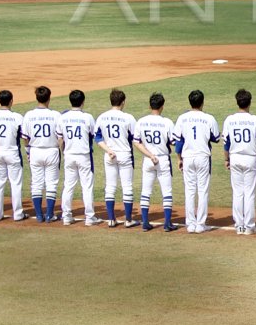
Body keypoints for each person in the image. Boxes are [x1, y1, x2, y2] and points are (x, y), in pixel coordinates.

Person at [172, 90, 220, 234]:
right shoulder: (209, 118)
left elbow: (178, 141)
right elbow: (216, 138)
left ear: (190, 102)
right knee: (203, 190)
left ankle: (191, 224)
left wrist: (179, 158)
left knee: (190, 190)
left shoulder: (182, 118)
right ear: (202, 102)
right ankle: (200, 224)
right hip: (203, 157)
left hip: (187, 157)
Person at [222, 88, 256, 235]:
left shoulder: (229, 120)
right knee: (249, 193)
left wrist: (226, 159)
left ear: (237, 102)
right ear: (249, 103)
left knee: (237, 193)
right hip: (250, 158)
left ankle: (239, 225)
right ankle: (249, 226)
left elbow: (226, 143)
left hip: (235, 157)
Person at [133, 92, 177, 232]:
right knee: (167, 191)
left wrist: (150, 155)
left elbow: (136, 142)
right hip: (163, 159)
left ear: (149, 105)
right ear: (162, 106)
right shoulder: (167, 122)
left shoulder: (141, 121)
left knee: (146, 191)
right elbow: (174, 142)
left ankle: (145, 223)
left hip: (148, 160)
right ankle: (167, 224)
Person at [95, 89, 138, 228]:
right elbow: (135, 138)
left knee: (110, 186)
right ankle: (128, 220)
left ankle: (111, 220)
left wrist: (109, 150)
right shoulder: (129, 118)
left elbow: (98, 138)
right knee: (127, 187)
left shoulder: (102, 117)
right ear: (123, 102)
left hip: (109, 155)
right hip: (125, 154)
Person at [22, 85, 64, 222]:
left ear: (36, 98)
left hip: (35, 151)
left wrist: (28, 151)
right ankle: (50, 214)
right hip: (52, 151)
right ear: (49, 98)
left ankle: (39, 215)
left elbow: (25, 138)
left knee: (36, 183)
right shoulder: (56, 115)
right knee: (51, 183)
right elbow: (60, 137)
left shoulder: (29, 115)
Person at [0, 90, 26, 221]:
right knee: (16, 184)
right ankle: (18, 214)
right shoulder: (17, 117)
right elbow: (23, 136)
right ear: (11, 101)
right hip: (12, 153)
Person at [59, 90, 98, 227]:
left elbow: (60, 138)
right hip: (84, 156)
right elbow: (93, 135)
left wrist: (63, 152)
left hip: (69, 155)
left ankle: (66, 216)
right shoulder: (87, 117)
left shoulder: (62, 117)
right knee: (87, 187)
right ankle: (90, 217)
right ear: (83, 101)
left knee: (68, 186)